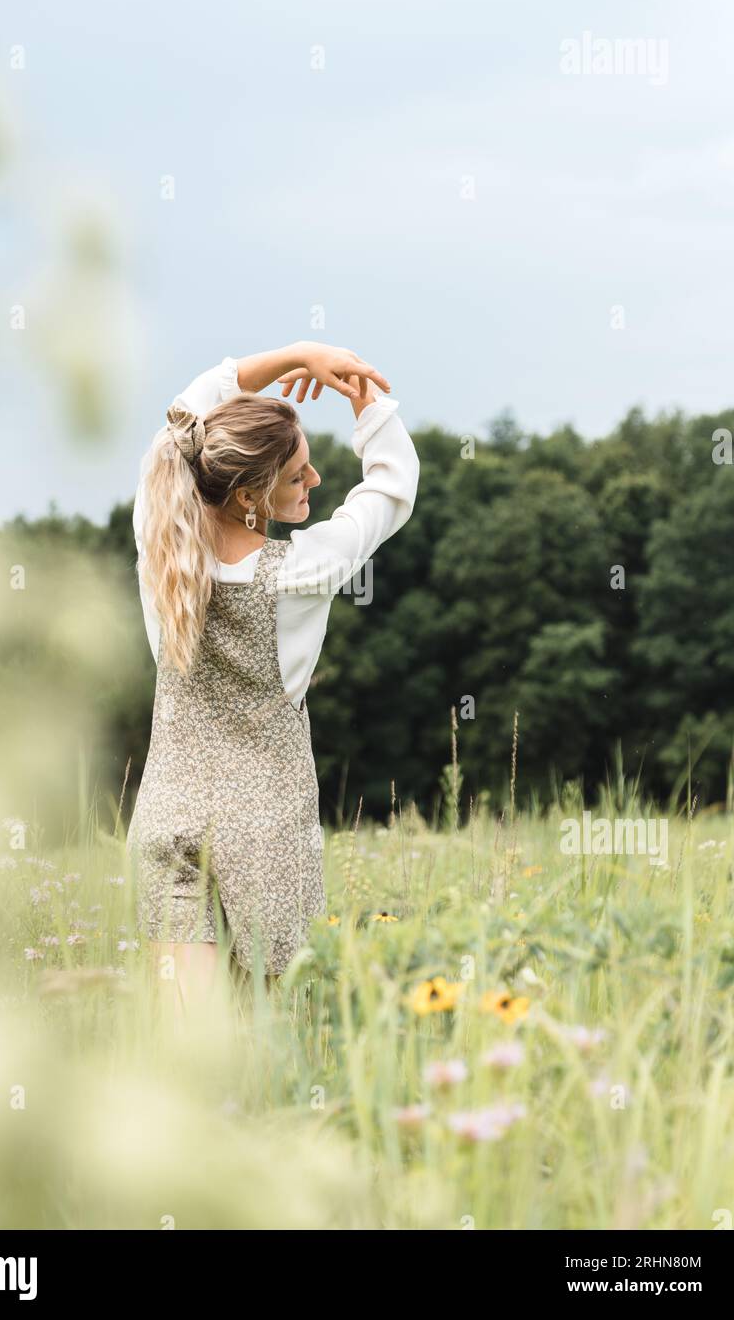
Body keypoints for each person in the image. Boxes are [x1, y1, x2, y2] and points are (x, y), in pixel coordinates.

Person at [125, 341, 420, 1012]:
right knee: (277, 1027)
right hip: (266, 832)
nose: (314, 481)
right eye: (297, 476)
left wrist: (292, 356)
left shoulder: (161, 541)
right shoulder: (302, 571)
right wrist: (365, 403)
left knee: (190, 1038)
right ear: (253, 496)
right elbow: (392, 487)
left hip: (167, 817)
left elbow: (181, 430)